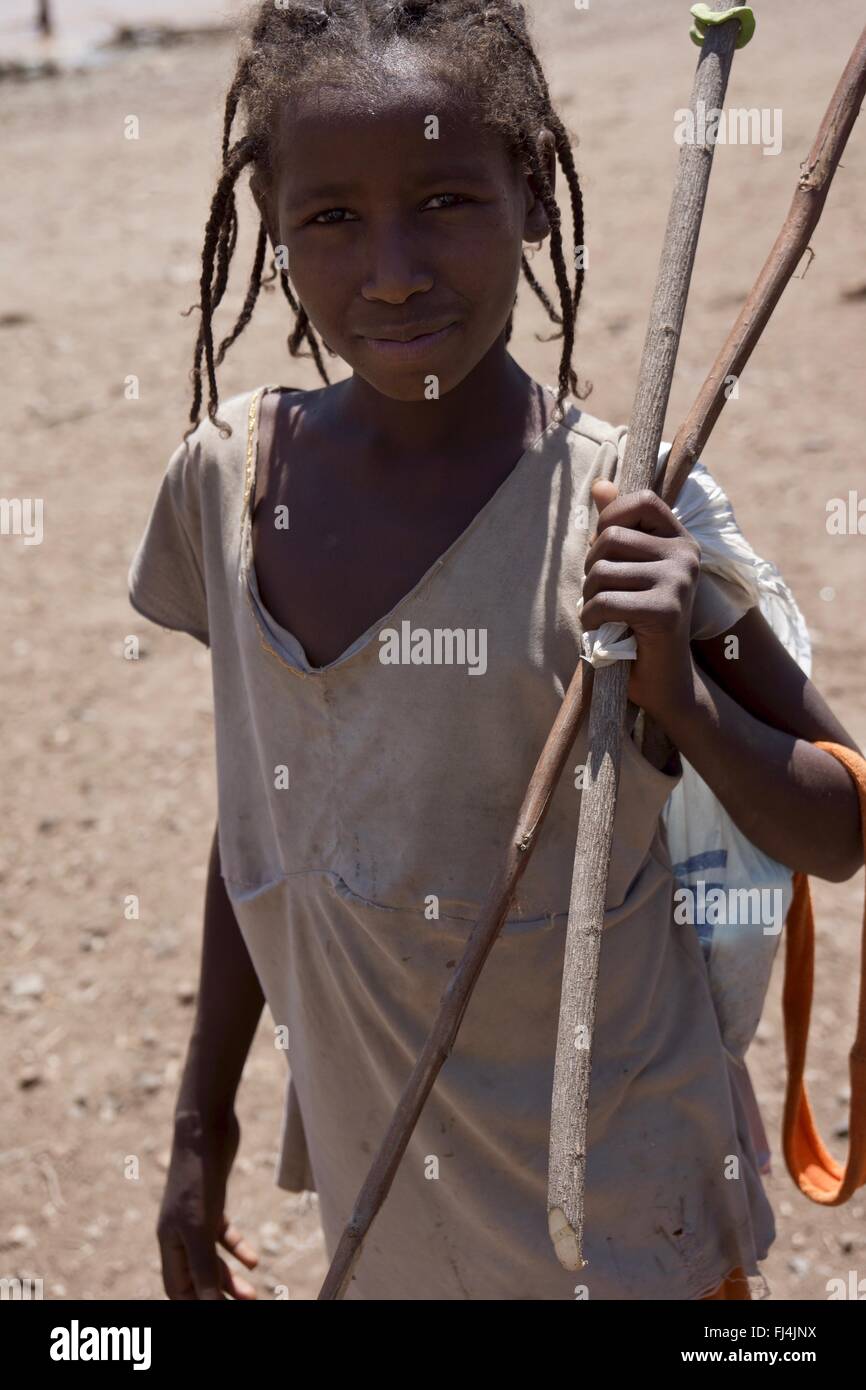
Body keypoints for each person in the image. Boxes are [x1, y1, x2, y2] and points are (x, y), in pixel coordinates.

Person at [128, 0, 862, 1301]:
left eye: (445, 200)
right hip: (389, 1180)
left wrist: (682, 695)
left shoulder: (631, 512)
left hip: (625, 1214)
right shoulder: (231, 484)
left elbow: (839, 823)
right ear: (273, 226)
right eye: (333, 216)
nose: (394, 268)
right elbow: (263, 817)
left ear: (532, 192)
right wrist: (204, 1124)